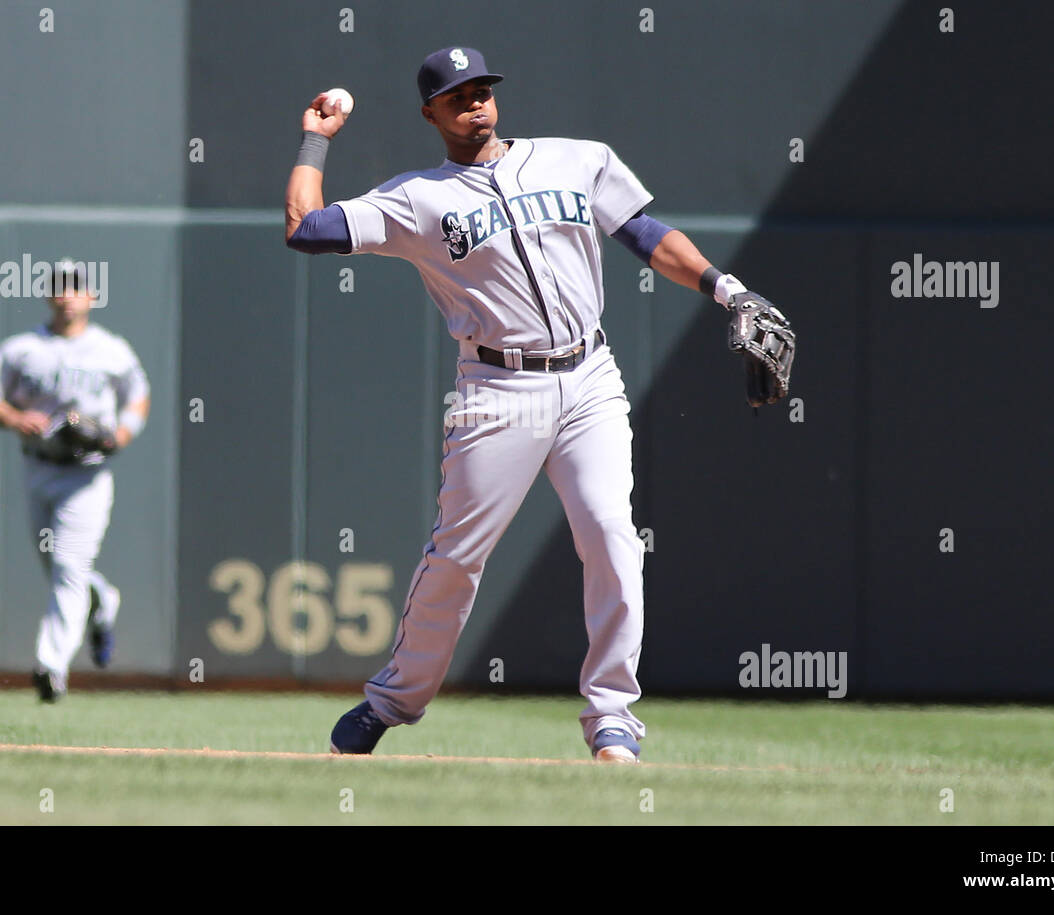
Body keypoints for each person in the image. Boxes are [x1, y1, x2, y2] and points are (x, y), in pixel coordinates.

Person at [286, 47, 766, 762]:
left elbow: (645, 236)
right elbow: (306, 227)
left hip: (589, 378)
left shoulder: (577, 160)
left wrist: (728, 289)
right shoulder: (416, 197)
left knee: (612, 533)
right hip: (497, 389)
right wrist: (316, 138)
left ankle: (612, 718)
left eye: (482, 88)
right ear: (432, 114)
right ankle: (391, 702)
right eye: (457, 95)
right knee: (456, 556)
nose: (474, 101)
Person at [0, 260, 150, 701]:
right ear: (47, 295)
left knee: (68, 566)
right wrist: (16, 418)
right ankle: (102, 599)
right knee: (60, 569)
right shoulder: (22, 349)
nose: (67, 294)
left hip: (88, 476)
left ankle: (51, 668)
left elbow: (138, 396)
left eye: (76, 287)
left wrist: (122, 433)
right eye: (59, 287)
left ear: (91, 296)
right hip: (39, 466)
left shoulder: (111, 349)